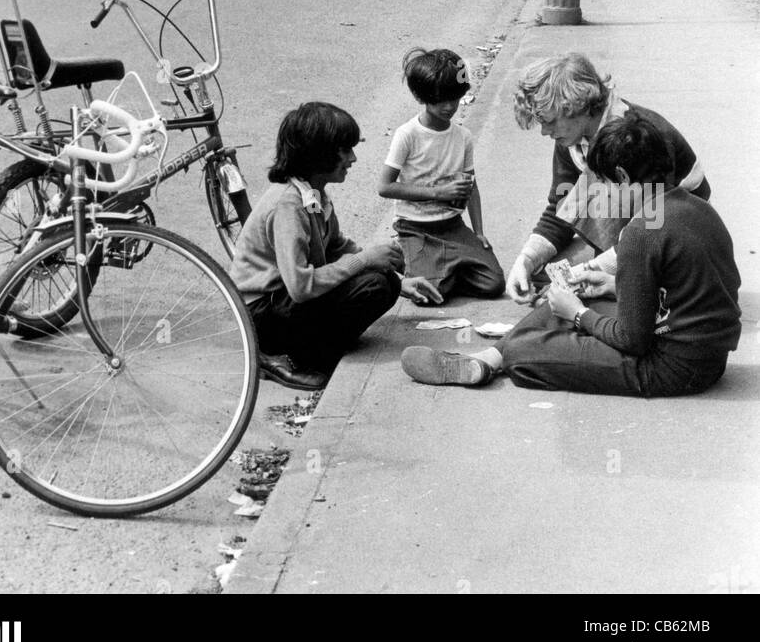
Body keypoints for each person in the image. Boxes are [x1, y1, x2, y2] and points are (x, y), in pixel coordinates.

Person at [400, 115, 741, 397]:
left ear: (622, 177)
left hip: (673, 368)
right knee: (563, 302)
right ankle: (487, 359)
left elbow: (632, 341)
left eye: (605, 185)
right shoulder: (697, 209)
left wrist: (578, 316)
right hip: (708, 355)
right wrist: (610, 284)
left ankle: (501, 357)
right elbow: (690, 291)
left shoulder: (641, 233)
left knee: (527, 350)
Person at [230, 102, 441, 391]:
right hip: (262, 315)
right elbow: (300, 286)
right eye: (345, 150)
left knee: (386, 283)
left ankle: (317, 343)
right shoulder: (288, 205)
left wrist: (400, 281)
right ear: (319, 155)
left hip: (283, 304)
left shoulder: (313, 193)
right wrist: (366, 260)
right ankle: (288, 357)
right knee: (374, 286)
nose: (353, 158)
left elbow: (336, 247)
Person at [504, 53, 709, 305]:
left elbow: (653, 228)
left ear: (575, 105)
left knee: (584, 287)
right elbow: (561, 210)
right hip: (634, 221)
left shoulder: (638, 137)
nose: (545, 132)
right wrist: (525, 260)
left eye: (549, 122)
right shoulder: (571, 140)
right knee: (545, 272)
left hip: (677, 229)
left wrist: (586, 273)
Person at [378, 48, 504, 301]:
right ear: (422, 97)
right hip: (415, 226)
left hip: (451, 225)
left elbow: (471, 186)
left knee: (493, 284)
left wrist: (478, 231)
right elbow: (385, 186)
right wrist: (436, 193)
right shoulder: (408, 134)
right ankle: (403, 255)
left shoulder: (462, 137)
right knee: (431, 296)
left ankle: (441, 267)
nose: (449, 107)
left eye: (454, 98)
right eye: (439, 100)